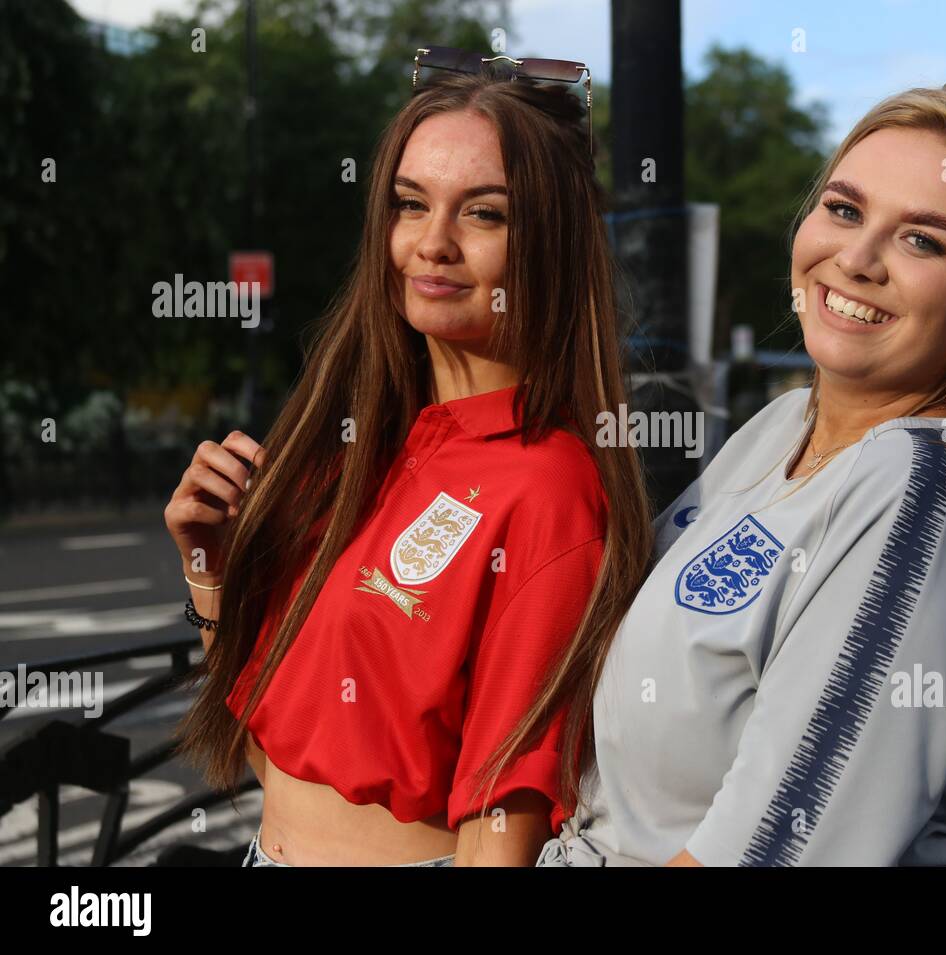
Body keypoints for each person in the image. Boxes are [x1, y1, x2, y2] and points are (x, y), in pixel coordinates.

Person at [537, 82, 946, 866]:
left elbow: (767, 854)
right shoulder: (780, 428)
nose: (857, 260)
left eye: (923, 241)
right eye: (844, 209)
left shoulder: (916, 496)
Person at [164, 56, 652, 866]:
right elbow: (276, 756)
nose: (432, 244)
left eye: (485, 215)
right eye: (410, 204)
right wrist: (208, 569)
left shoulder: (550, 489)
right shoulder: (352, 447)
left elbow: (503, 827)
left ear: (551, 246)